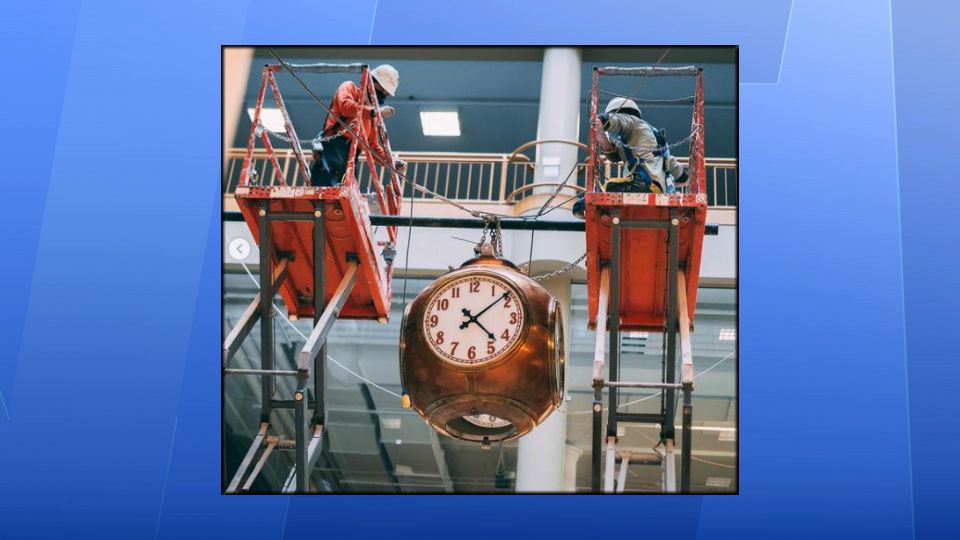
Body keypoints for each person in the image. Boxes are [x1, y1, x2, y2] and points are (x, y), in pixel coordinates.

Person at [572, 97, 688, 218]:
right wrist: (602, 139)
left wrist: (602, 120)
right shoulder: (652, 138)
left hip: (643, 183)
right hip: (660, 190)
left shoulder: (631, 122)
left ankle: (582, 207)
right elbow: (616, 154)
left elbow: (617, 121)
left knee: (603, 191)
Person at [310, 64, 404, 187]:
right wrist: (373, 112)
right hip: (334, 145)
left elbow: (373, 147)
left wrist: (391, 162)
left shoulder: (372, 117)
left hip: (352, 156)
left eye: (385, 94)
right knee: (328, 175)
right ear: (370, 82)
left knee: (350, 188)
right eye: (380, 90)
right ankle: (320, 203)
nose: (381, 96)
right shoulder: (349, 88)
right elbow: (345, 107)